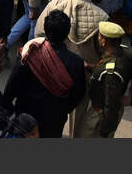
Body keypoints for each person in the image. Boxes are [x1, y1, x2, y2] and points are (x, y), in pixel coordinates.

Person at [6, 8, 86, 138]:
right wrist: (64, 109)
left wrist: (8, 106)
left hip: (26, 116)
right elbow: (78, 94)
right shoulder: (76, 63)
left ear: (45, 29)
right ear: (67, 34)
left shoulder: (30, 53)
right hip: (54, 118)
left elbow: (13, 84)